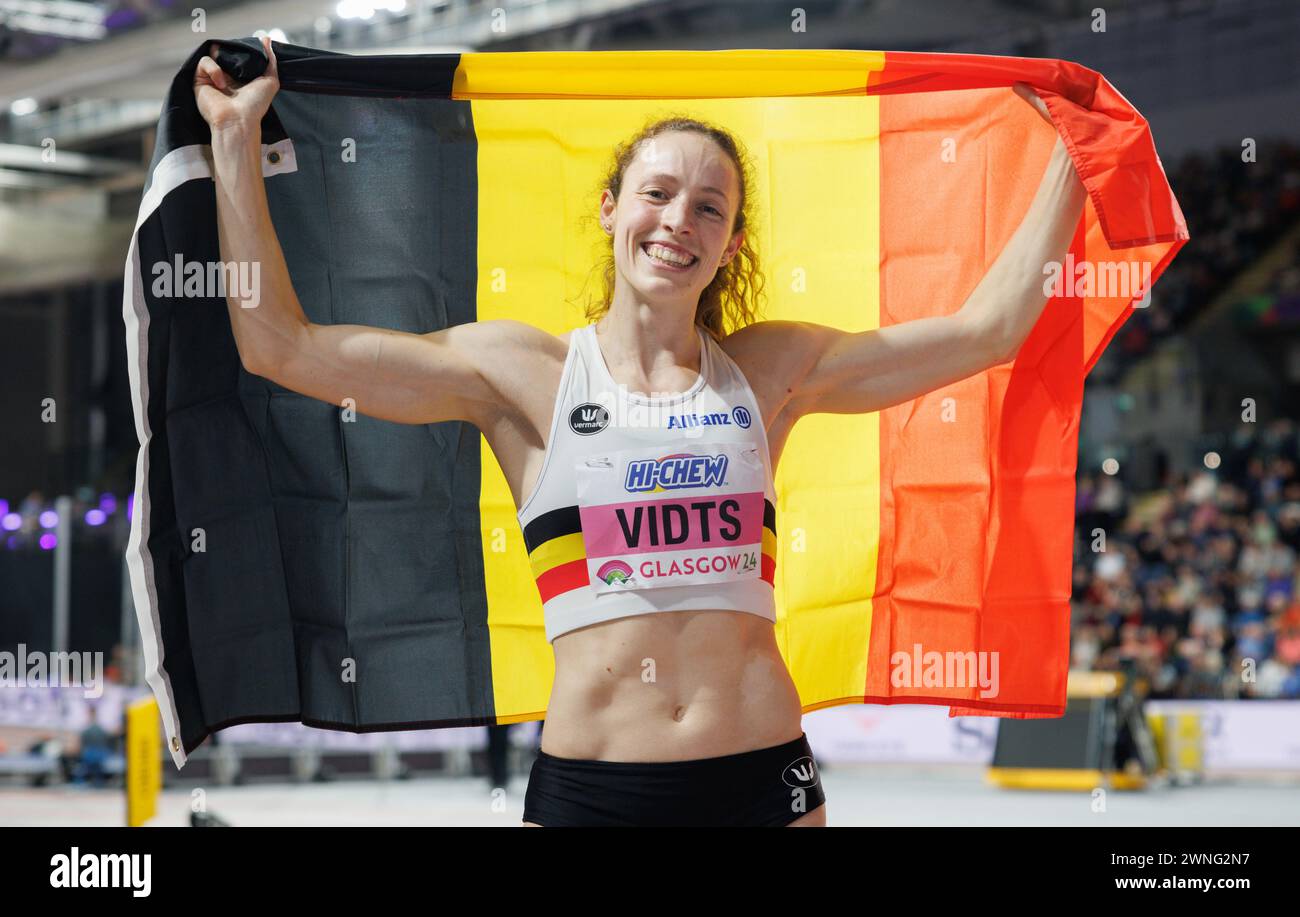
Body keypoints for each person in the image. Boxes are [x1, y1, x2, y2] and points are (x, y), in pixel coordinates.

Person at [194, 37, 1086, 826]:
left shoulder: (770, 371)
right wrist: (235, 144)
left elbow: (988, 331)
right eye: (657, 194)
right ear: (610, 208)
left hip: (765, 783)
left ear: (733, 242)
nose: (678, 222)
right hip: (595, 790)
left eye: (710, 208)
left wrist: (1077, 162)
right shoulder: (523, 374)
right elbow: (282, 347)